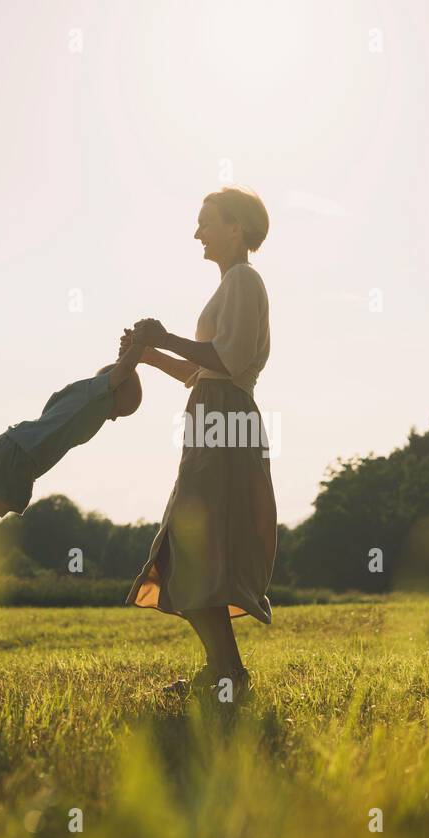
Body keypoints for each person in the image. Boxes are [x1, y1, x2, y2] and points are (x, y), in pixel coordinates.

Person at [121, 185, 277, 701]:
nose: (197, 233)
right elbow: (199, 369)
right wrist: (149, 354)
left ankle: (227, 674)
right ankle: (225, 673)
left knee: (194, 549)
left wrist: (163, 336)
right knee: (190, 550)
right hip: (213, 417)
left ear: (236, 228)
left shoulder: (244, 280)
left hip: (226, 422)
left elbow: (227, 361)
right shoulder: (230, 286)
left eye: (205, 221)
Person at [0, 324, 154, 542]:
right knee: (5, 502)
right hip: (23, 454)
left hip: (12, 444)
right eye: (120, 411)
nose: (113, 418)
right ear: (114, 392)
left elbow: (122, 370)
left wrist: (128, 353)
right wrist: (137, 345)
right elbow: (123, 371)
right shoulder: (96, 393)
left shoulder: (80, 394)